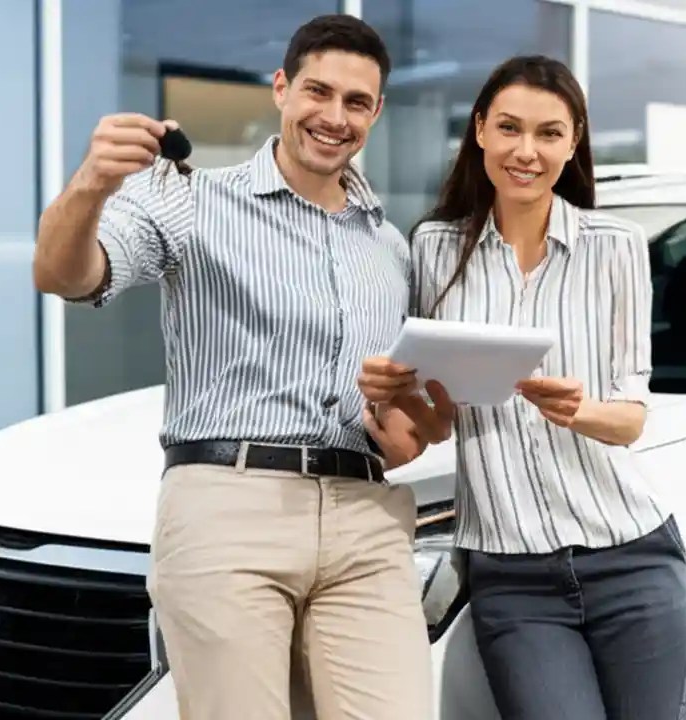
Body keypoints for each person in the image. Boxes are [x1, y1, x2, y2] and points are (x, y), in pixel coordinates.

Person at [32, 14, 448, 720]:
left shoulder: (390, 246)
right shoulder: (190, 198)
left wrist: (400, 421)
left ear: (376, 112)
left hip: (367, 517)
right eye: (318, 91)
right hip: (229, 506)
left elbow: (407, 417)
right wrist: (90, 186)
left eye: (356, 102)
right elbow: (68, 275)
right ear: (282, 89)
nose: (334, 117)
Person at [357, 55, 686, 719]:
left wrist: (579, 411)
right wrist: (391, 391)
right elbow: (432, 422)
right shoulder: (433, 248)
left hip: (633, 559)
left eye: (548, 134)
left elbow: (631, 418)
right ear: (479, 129)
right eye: (509, 128)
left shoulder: (616, 247)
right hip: (512, 578)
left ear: (573, 145)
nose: (526, 151)